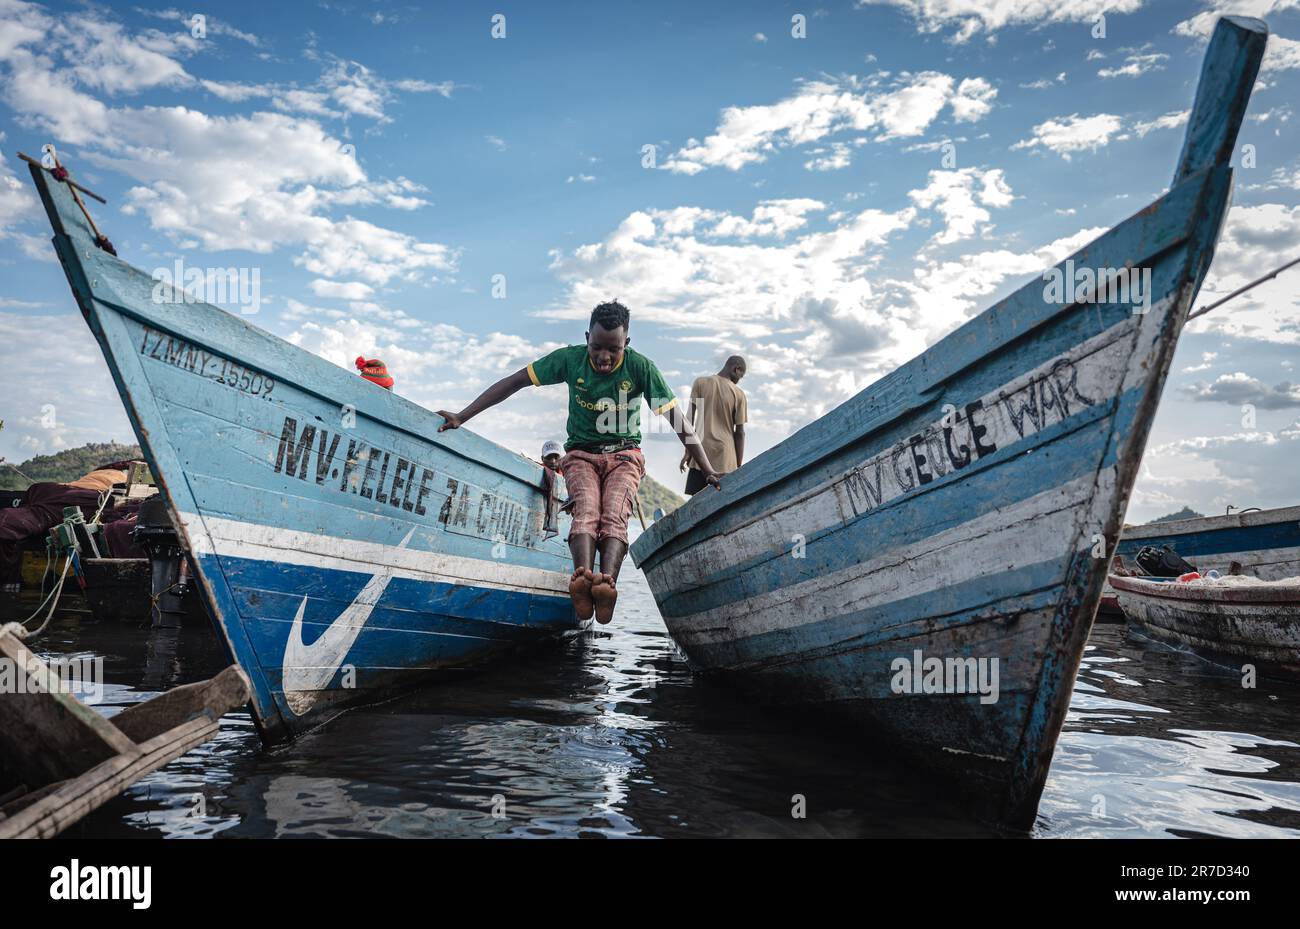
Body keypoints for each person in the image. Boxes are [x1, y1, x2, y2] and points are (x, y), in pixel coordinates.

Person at [436, 300, 720, 625]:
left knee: (614, 514)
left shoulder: (641, 368)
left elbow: (677, 419)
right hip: (581, 454)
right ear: (587, 338)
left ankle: (606, 583)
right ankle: (583, 578)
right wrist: (462, 416)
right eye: (596, 347)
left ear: (626, 344)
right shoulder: (569, 360)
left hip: (624, 455)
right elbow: (515, 382)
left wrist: (707, 469)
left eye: (613, 350)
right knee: (585, 511)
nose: (603, 357)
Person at [680, 355, 747, 495]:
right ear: (737, 369)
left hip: (700, 455)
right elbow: (739, 433)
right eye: (741, 376)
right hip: (726, 459)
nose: (738, 381)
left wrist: (688, 452)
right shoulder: (739, 394)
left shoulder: (700, 382)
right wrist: (738, 465)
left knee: (696, 506)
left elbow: (688, 421)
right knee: (724, 502)